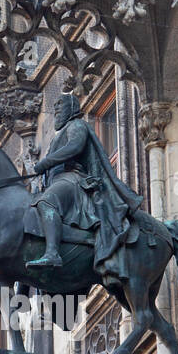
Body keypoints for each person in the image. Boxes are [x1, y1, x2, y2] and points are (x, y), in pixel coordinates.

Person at [28, 91, 143, 282]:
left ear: (72, 109)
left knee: (47, 202)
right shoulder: (57, 135)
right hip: (57, 181)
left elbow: (75, 147)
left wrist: (46, 162)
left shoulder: (77, 125)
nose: (56, 110)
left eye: (60, 106)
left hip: (73, 178)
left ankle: (53, 253)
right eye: (54, 108)